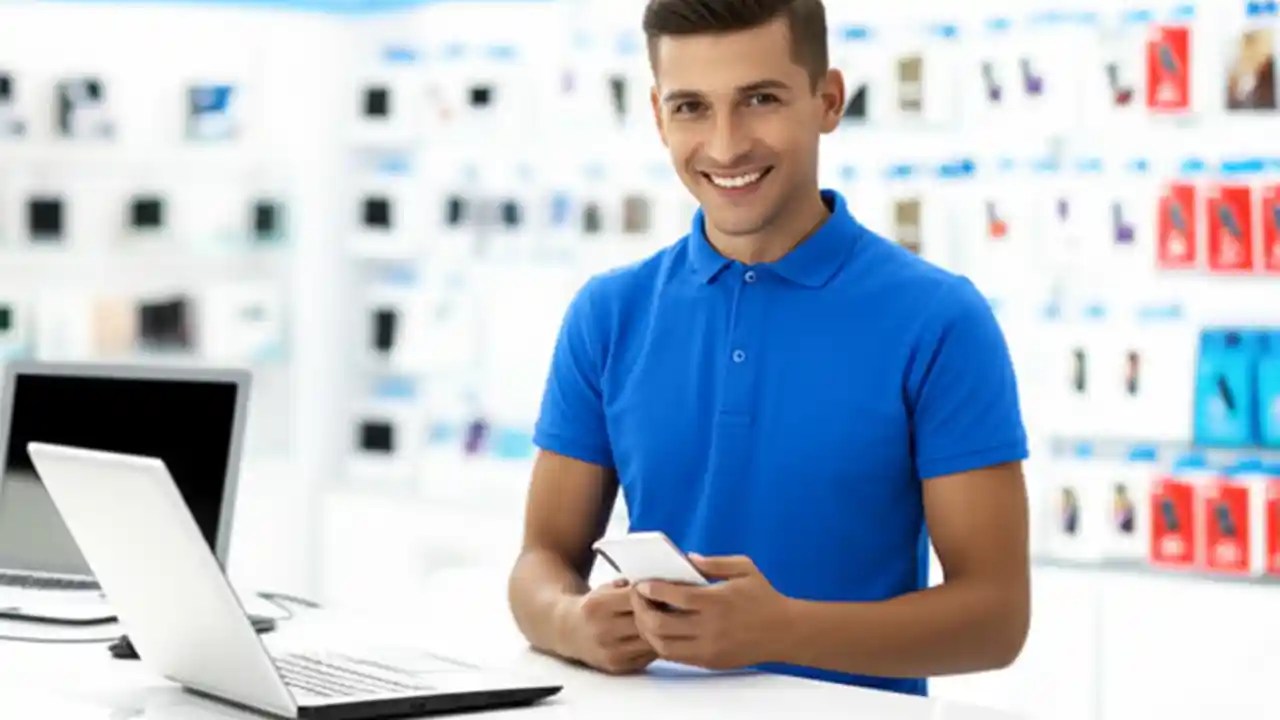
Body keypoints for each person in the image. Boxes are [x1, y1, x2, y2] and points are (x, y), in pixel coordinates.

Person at [507, 0, 1030, 697]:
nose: (726, 145)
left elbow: (995, 618)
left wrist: (777, 630)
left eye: (759, 99)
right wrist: (572, 622)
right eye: (693, 107)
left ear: (828, 100)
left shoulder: (938, 320)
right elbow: (540, 560)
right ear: (659, 116)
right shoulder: (609, 315)